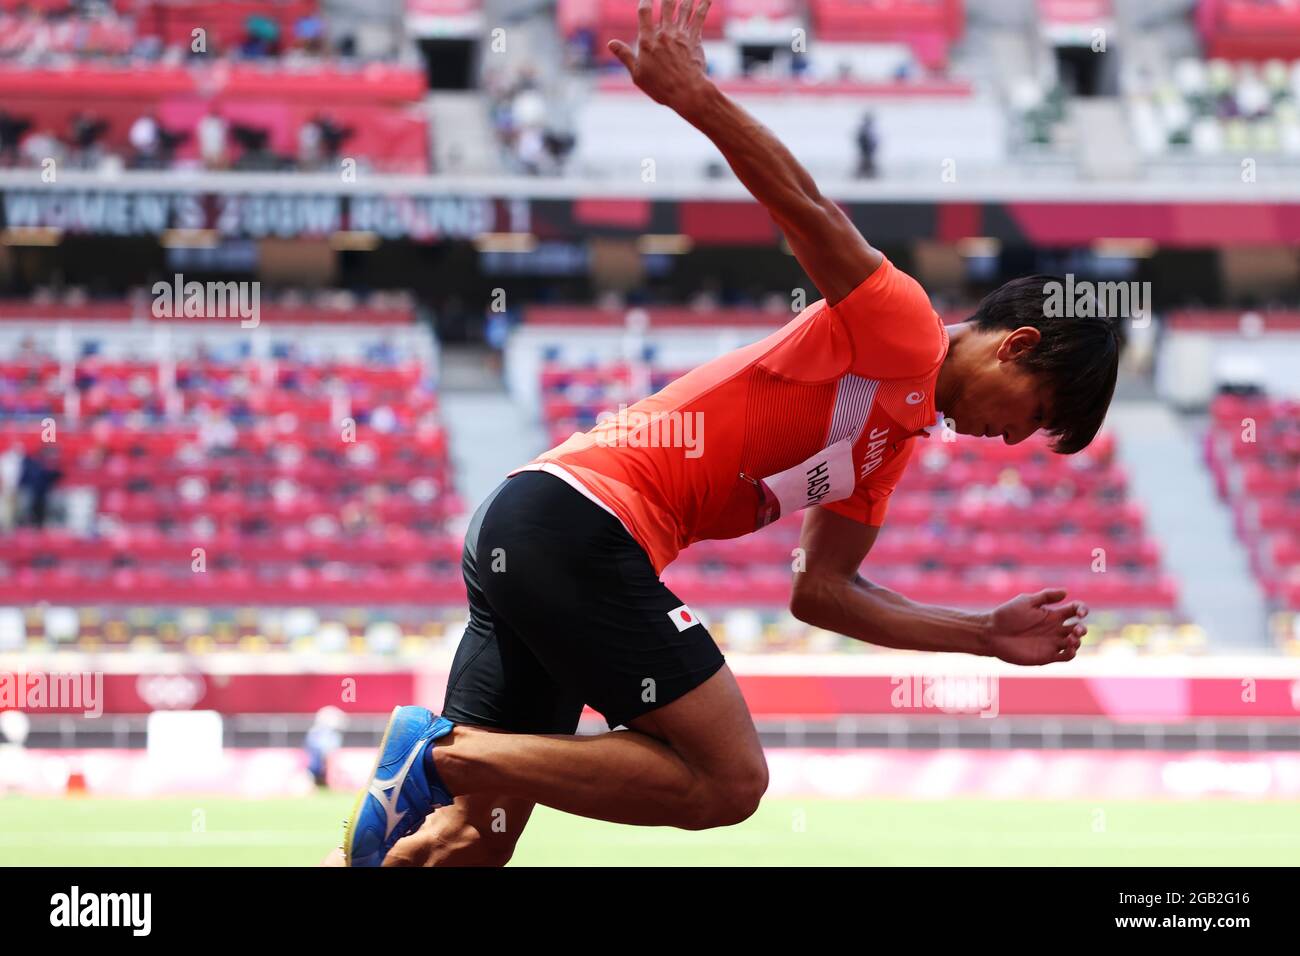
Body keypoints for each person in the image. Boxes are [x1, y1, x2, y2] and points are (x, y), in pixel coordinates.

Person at [336, 0, 1122, 867]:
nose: (1014, 441)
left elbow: (821, 592)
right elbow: (803, 205)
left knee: (462, 843)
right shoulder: (899, 326)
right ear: (1017, 347)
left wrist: (980, 634)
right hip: (579, 524)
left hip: (531, 530)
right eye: (1034, 417)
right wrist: (693, 95)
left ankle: (425, 782)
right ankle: (439, 753)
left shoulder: (886, 446)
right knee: (728, 781)